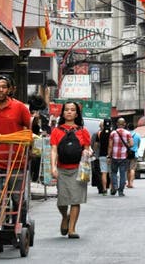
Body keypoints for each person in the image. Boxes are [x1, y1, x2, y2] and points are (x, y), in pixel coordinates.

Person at [0, 74, 32, 254]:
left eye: (4, 87)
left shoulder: (19, 108)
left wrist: (28, 149)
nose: (0, 90)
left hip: (16, 160)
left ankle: (19, 229)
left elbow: (29, 130)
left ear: (9, 89)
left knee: (17, 198)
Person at [50, 101, 92, 240]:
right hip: (62, 169)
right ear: (62, 113)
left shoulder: (83, 131)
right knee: (62, 201)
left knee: (75, 200)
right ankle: (64, 217)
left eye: (72, 110)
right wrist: (53, 166)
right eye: (66, 109)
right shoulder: (56, 131)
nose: (69, 112)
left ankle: (72, 229)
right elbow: (54, 150)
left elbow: (87, 148)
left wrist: (87, 153)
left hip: (78, 169)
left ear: (76, 113)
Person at [107, 117, 133, 197]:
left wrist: (109, 156)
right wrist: (126, 146)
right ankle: (121, 190)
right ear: (124, 124)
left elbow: (110, 146)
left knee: (114, 173)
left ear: (117, 124)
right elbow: (132, 144)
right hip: (123, 157)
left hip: (114, 156)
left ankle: (114, 186)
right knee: (123, 174)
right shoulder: (128, 133)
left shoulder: (113, 133)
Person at [97, 118, 113, 194]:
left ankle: (104, 189)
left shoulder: (99, 133)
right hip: (111, 155)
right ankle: (112, 187)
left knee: (104, 172)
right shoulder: (113, 133)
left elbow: (96, 145)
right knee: (111, 172)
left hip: (102, 155)